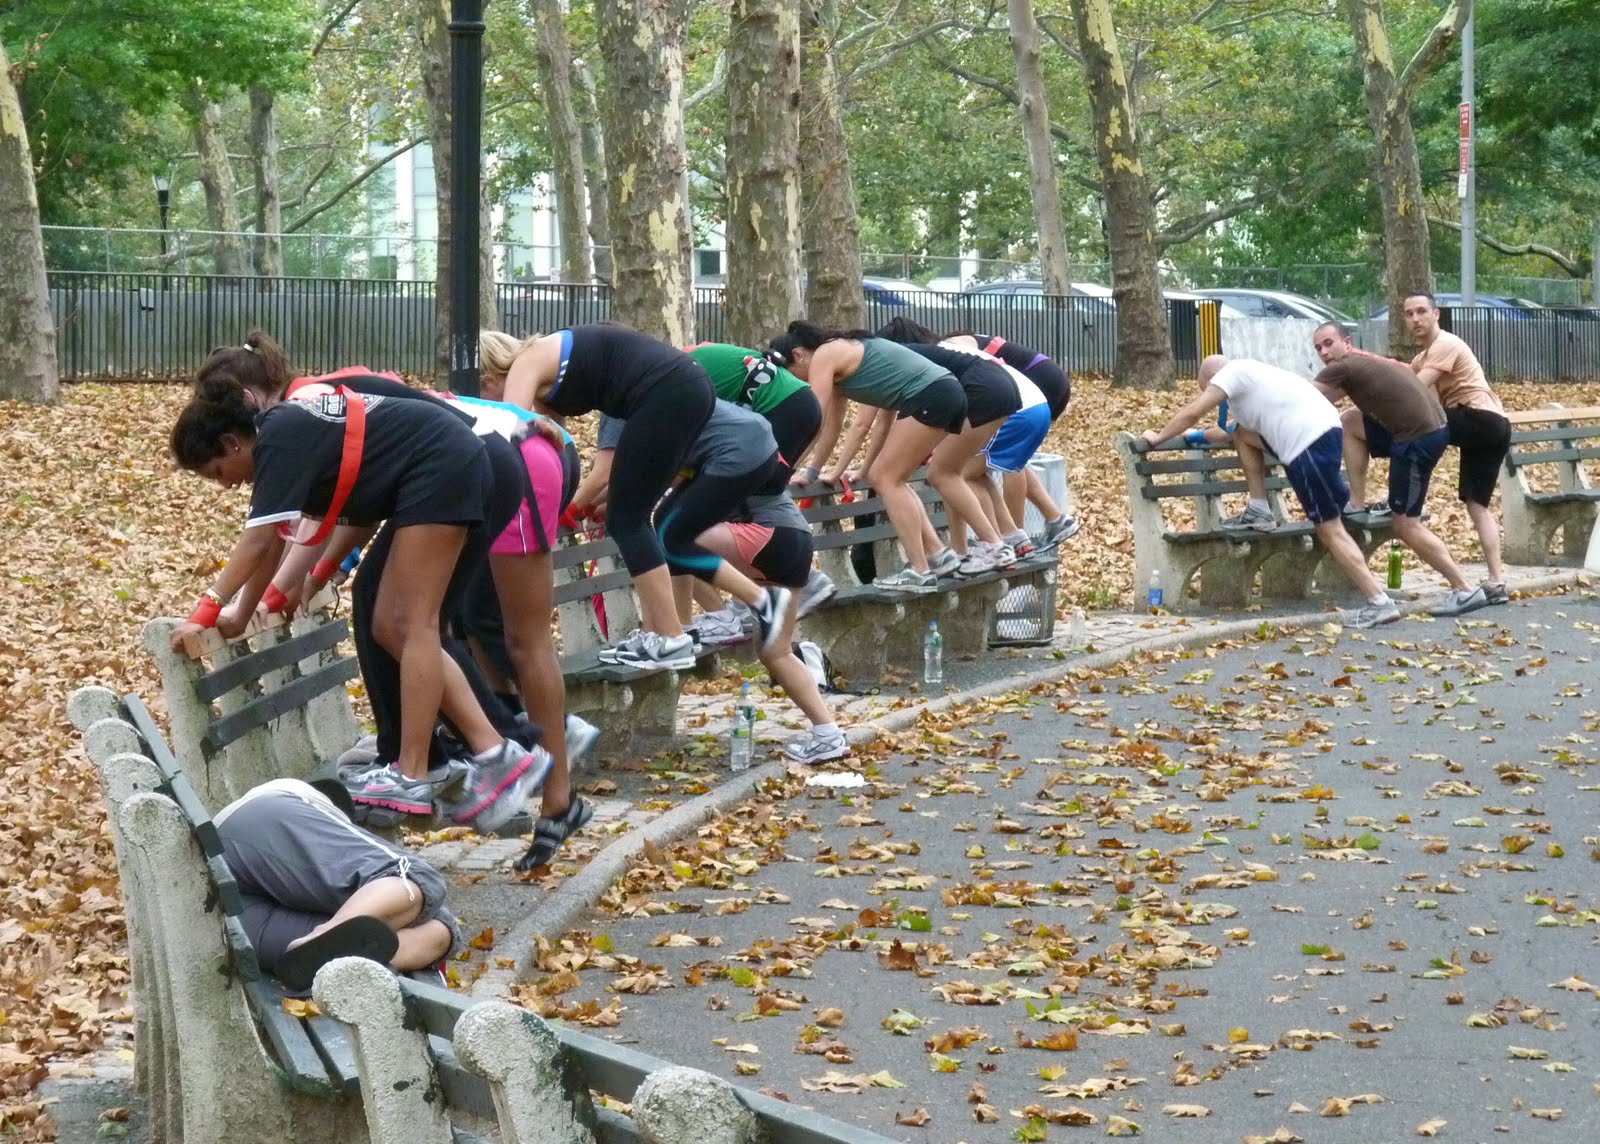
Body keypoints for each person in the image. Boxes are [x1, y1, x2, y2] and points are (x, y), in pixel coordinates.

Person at [168, 366, 546, 827]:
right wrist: (241, 612)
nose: (226, 483)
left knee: (414, 625)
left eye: (217, 472)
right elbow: (273, 545)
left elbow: (258, 541)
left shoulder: (279, 438)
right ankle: (493, 751)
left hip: (446, 465)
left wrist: (205, 610)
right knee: (388, 626)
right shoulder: (283, 436)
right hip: (442, 466)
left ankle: (414, 771)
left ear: (231, 443)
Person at [479, 325, 790, 667]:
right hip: (682, 390)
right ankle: (665, 632)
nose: (485, 401)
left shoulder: (528, 361)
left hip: (668, 392)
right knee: (633, 517)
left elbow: (508, 433)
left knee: (627, 521)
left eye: (481, 391)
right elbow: (557, 447)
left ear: (490, 375)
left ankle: (671, 637)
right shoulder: (546, 375)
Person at [1140, 355, 1401, 629]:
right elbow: (1234, 434)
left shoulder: (1231, 374)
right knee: (1243, 434)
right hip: (1321, 434)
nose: (1215, 397)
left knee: (1329, 530)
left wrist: (1158, 437)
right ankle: (1259, 509)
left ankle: (1379, 602)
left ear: (1213, 379)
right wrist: (1195, 436)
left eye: (1209, 389)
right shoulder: (1255, 377)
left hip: (1307, 443)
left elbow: (1193, 411)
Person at [768, 321, 1010, 593]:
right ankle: (938, 556)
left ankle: (921, 570)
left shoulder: (825, 355)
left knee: (885, 478)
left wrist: (781, 468)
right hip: (945, 393)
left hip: (934, 395)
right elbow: (830, 426)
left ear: (799, 355)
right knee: (894, 479)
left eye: (791, 374)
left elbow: (813, 418)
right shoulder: (839, 357)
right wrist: (815, 471)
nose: (797, 382)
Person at [216, 778, 459, 992]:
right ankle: (340, 947)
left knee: (441, 929)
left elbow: (368, 925)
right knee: (416, 877)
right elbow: (407, 880)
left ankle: (345, 963)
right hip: (256, 822)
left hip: (226, 917)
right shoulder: (309, 808)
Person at [1311, 323, 1487, 616]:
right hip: (1423, 430)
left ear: (1347, 342)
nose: (1325, 352)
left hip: (1418, 440)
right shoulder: (1364, 360)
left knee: (1405, 523)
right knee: (1351, 421)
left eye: (1329, 343)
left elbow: (1305, 397)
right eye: (1318, 348)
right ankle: (1355, 502)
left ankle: (1465, 589)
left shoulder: (1342, 367)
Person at [876, 317, 1077, 550]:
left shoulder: (937, 353)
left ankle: (996, 544)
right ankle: (1015, 534)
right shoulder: (946, 351)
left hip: (1020, 401)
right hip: (1032, 400)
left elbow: (944, 405)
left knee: (955, 473)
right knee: (980, 467)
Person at [693, 487, 851, 763]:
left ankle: (730, 615)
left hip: (769, 538)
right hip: (794, 540)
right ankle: (829, 736)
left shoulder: (717, 450)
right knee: (776, 652)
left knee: (674, 541)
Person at [1402, 292, 1512, 604]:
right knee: (1478, 506)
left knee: (1415, 429)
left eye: (1422, 311)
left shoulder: (1446, 344)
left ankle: (1404, 494)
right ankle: (1496, 582)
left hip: (1482, 420)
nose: (1415, 319)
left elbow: (1414, 392)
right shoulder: (1421, 360)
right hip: (1492, 428)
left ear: (1436, 314)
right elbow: (1425, 396)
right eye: (1409, 314)